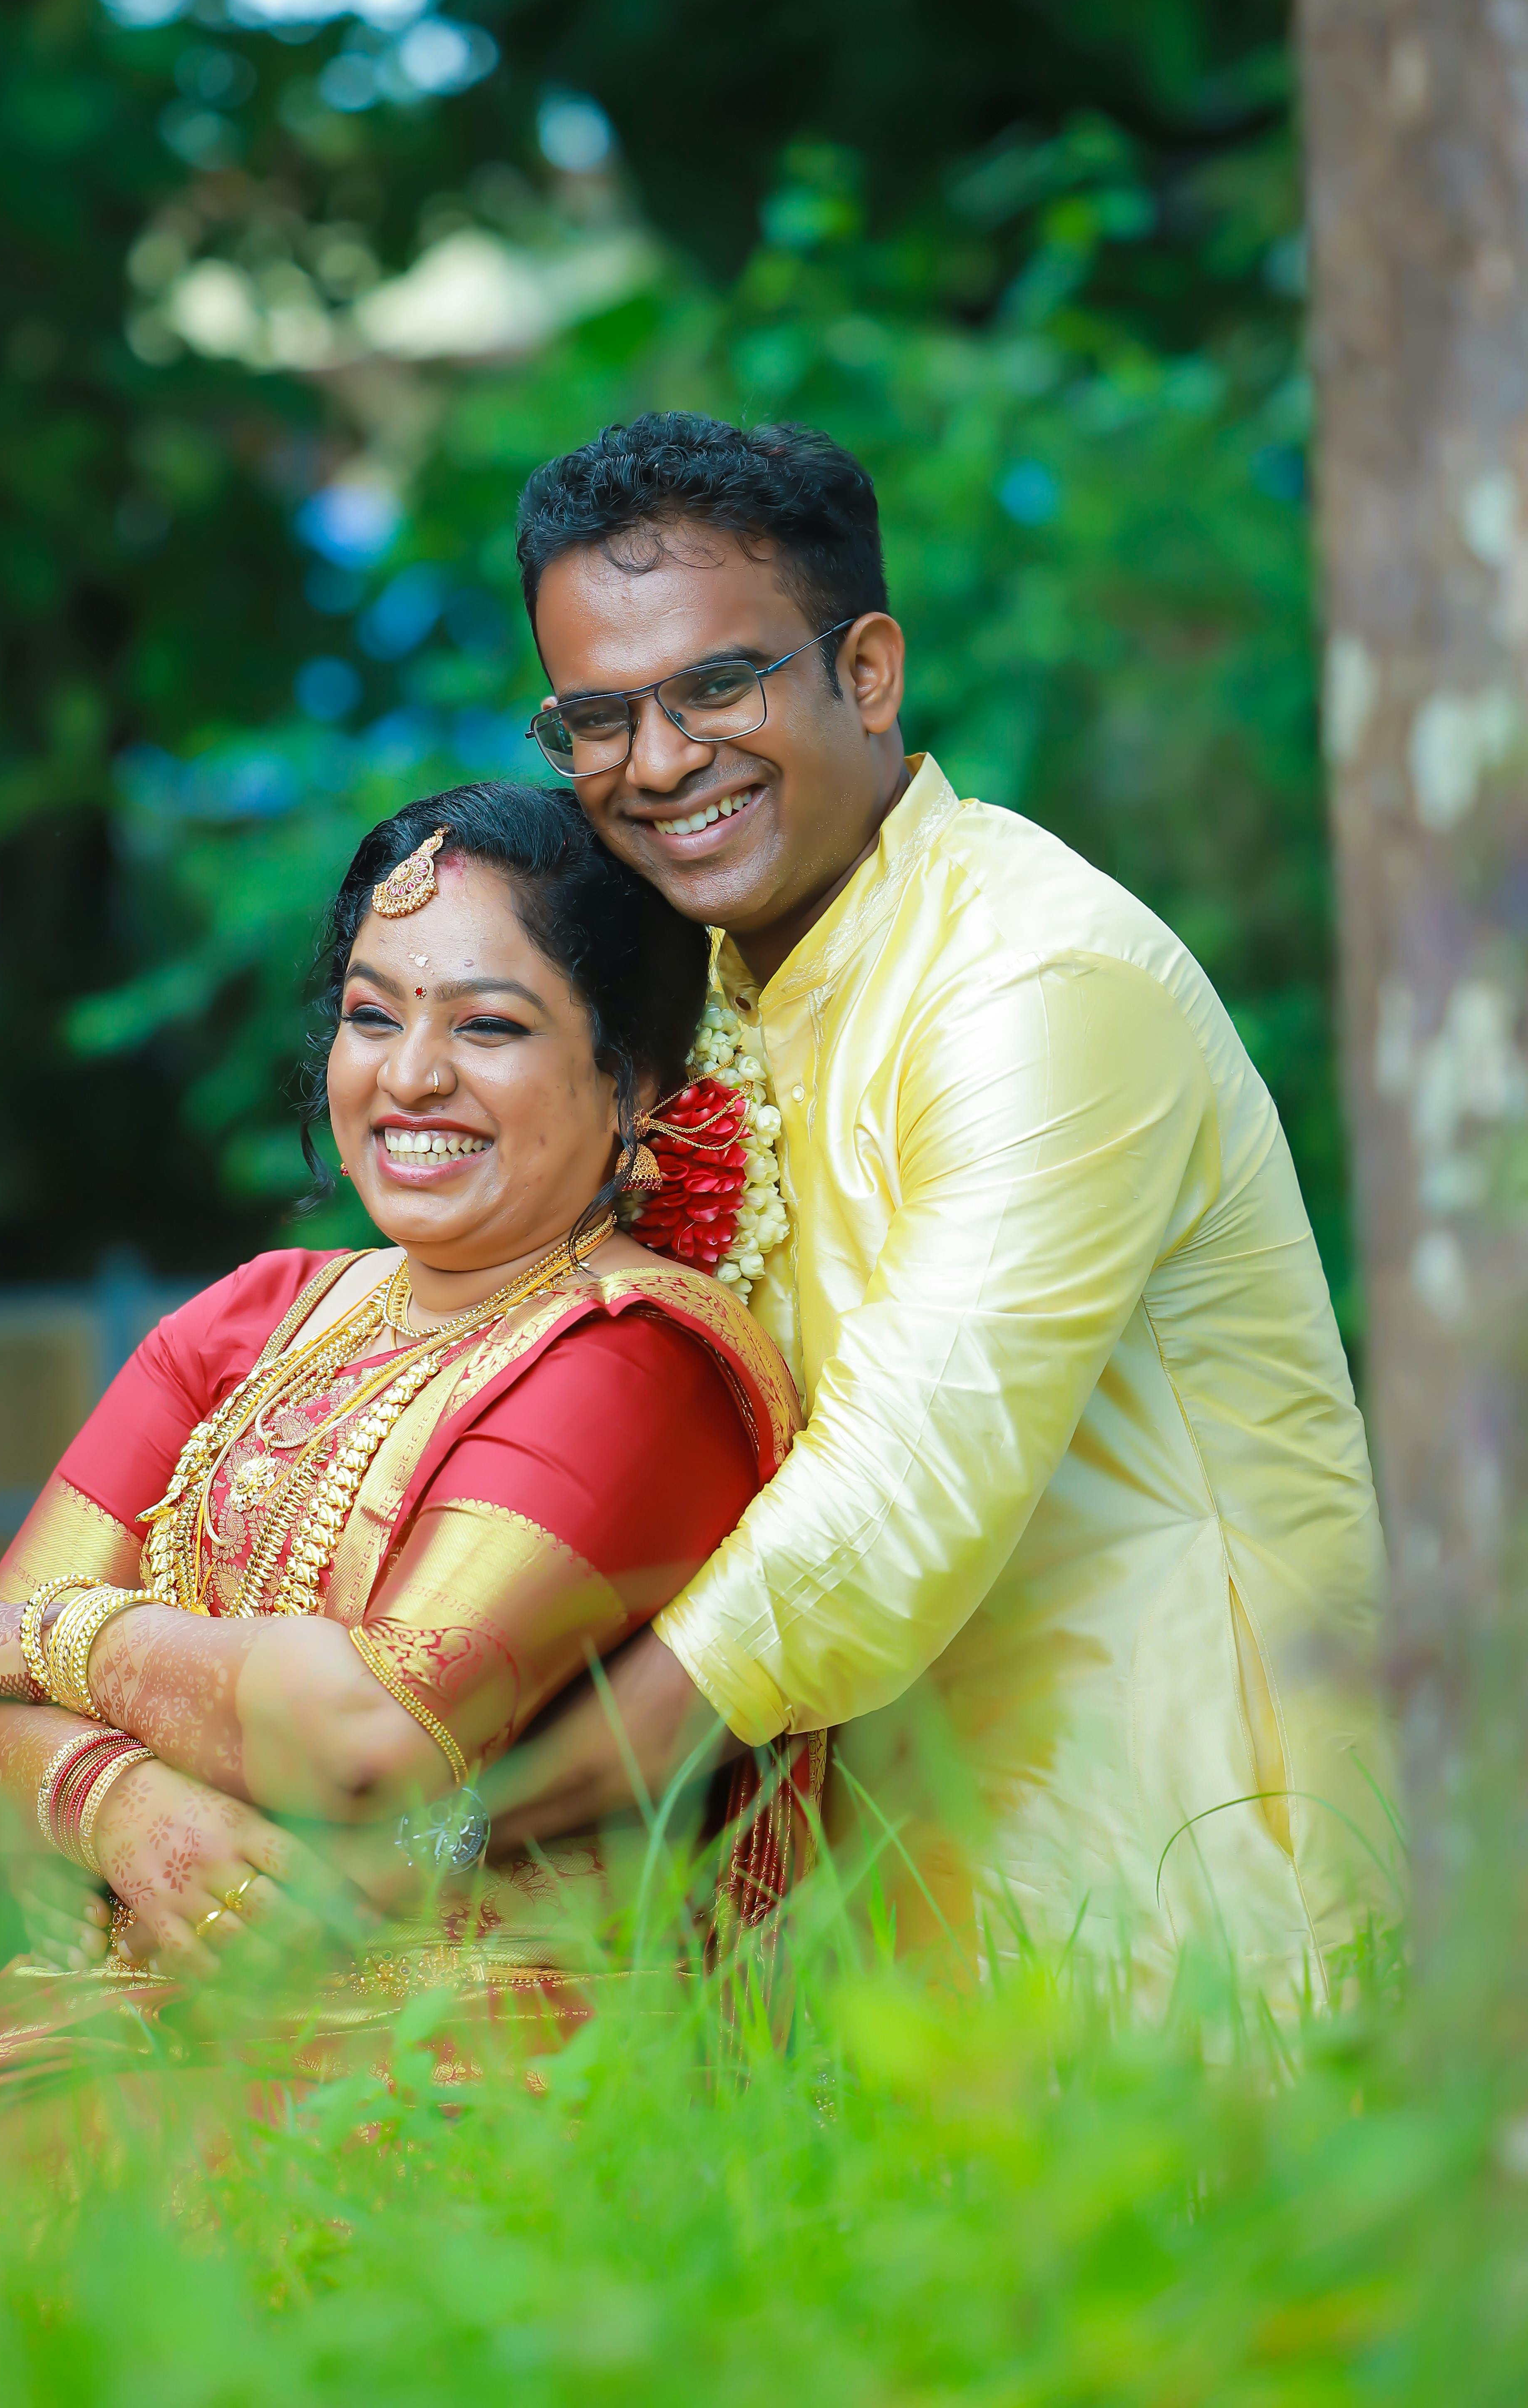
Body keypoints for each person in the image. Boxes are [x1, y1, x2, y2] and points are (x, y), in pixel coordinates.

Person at [0, 783, 808, 2239]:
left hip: (465, 2077)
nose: (410, 1077)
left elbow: (366, 1734)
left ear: (637, 1083)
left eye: (489, 1026)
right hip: (136, 2032)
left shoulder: (636, 1360)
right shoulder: (257, 1316)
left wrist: (63, 1637)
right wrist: (125, 1804)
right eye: (369, 1015)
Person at [490, 411, 1394, 2005]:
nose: (658, 762)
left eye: (718, 683)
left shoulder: (1036, 981)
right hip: (865, 1911)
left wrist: (447, 1829)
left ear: (871, 672)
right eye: (596, 718)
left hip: (1182, 1898)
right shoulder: (684, 998)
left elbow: (889, 1515)